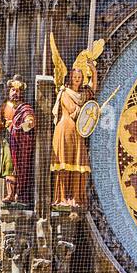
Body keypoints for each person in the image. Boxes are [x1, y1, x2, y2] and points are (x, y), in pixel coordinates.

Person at [50, 36, 104, 208]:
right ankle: (62, 198)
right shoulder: (65, 93)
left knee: (78, 165)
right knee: (64, 164)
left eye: (80, 78)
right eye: (75, 77)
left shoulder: (83, 94)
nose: (78, 80)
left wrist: (93, 71)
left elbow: (93, 89)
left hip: (78, 134)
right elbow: (75, 113)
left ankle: (76, 198)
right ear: (70, 78)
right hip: (65, 131)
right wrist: (91, 113)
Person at [0, 77, 36, 207]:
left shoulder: (25, 107)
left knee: (20, 168)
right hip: (8, 140)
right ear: (9, 91)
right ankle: (10, 194)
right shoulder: (5, 106)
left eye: (18, 90)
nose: (15, 93)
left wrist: (29, 122)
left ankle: (20, 195)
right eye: (13, 90)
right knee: (9, 167)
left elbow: (29, 117)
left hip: (21, 141)